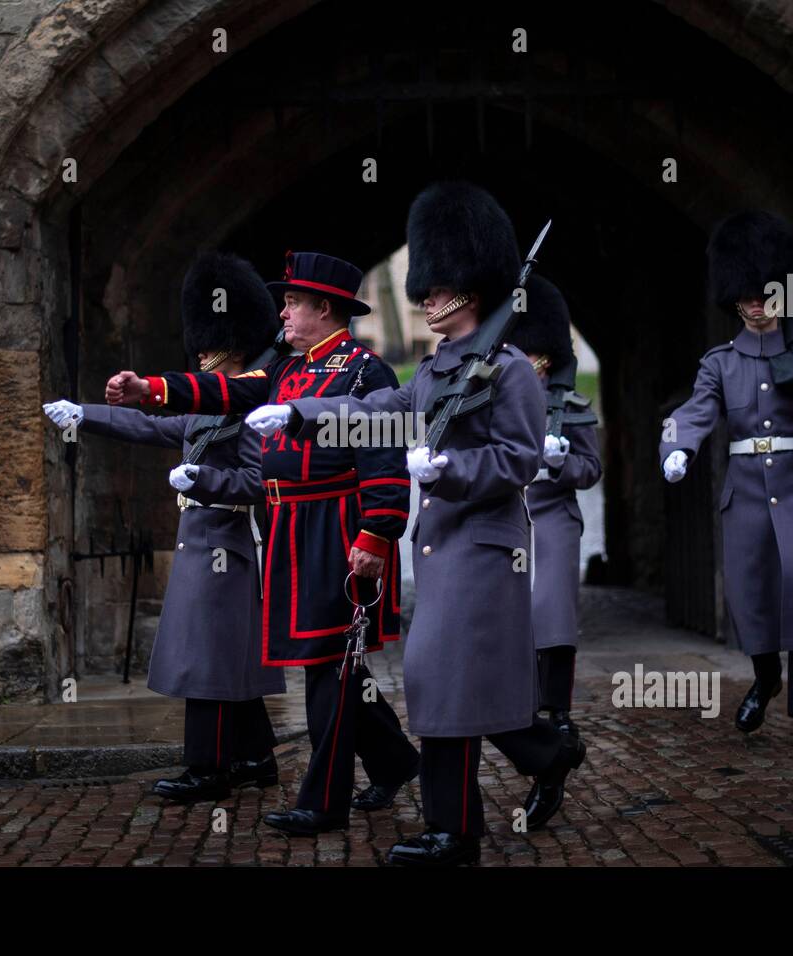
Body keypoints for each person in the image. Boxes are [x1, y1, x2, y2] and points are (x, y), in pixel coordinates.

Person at [247, 183, 586, 866]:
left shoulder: (511, 370)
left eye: (434, 290)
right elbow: (381, 407)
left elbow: (519, 461)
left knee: (442, 680)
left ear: (467, 290)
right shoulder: (434, 372)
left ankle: (453, 832)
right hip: (442, 549)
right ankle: (547, 753)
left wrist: (446, 471)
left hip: (487, 552)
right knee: (451, 682)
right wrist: (302, 414)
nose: (424, 298)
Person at [104, 251, 420, 834]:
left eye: (294, 302)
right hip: (289, 531)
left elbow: (384, 456)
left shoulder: (365, 371)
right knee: (336, 667)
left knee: (329, 669)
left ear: (324, 309)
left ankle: (322, 803)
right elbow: (223, 392)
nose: (284, 312)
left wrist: (377, 532)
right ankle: (395, 759)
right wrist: (150, 387)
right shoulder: (283, 371)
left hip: (338, 527)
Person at [42, 252, 285, 801]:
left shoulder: (249, 404)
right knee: (224, 657)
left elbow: (256, 481)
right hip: (203, 543)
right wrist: (85, 414)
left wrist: (201, 481)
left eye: (209, 345)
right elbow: (148, 424)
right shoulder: (205, 406)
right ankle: (255, 758)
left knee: (208, 662)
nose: (200, 353)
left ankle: (208, 768)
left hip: (229, 545)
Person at [659, 210, 793, 759]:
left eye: (766, 294)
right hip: (744, 497)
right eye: (749, 296)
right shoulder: (720, 363)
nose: (758, 305)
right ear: (735, 299)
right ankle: (766, 679)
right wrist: (678, 449)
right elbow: (695, 413)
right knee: (751, 598)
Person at [507, 276, 602, 738]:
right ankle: (516, 700)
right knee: (510, 610)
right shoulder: (497, 401)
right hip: (510, 512)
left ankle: (556, 705)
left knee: (555, 611)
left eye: (535, 360)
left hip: (554, 512)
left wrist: (562, 464)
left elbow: (590, 468)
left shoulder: (572, 405)